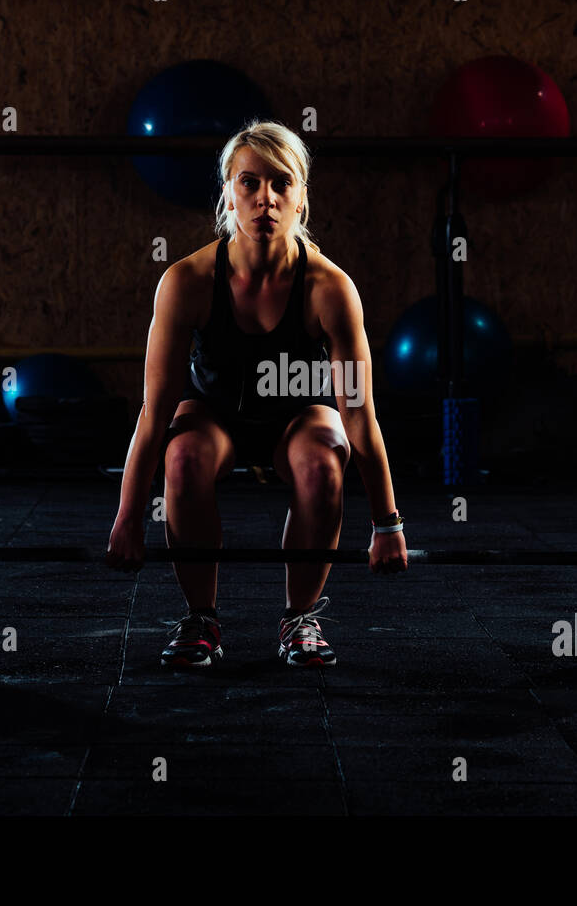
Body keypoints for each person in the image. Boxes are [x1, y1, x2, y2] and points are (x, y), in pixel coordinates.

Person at [105, 119, 407, 668]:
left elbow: (359, 414)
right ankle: (201, 618)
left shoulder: (330, 289)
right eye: (248, 182)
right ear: (227, 192)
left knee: (322, 463)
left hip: (297, 415)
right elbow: (155, 412)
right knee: (183, 454)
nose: (264, 198)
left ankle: (300, 619)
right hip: (212, 413)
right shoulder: (186, 282)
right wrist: (128, 516)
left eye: (281, 183)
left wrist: (387, 523)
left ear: (302, 198)